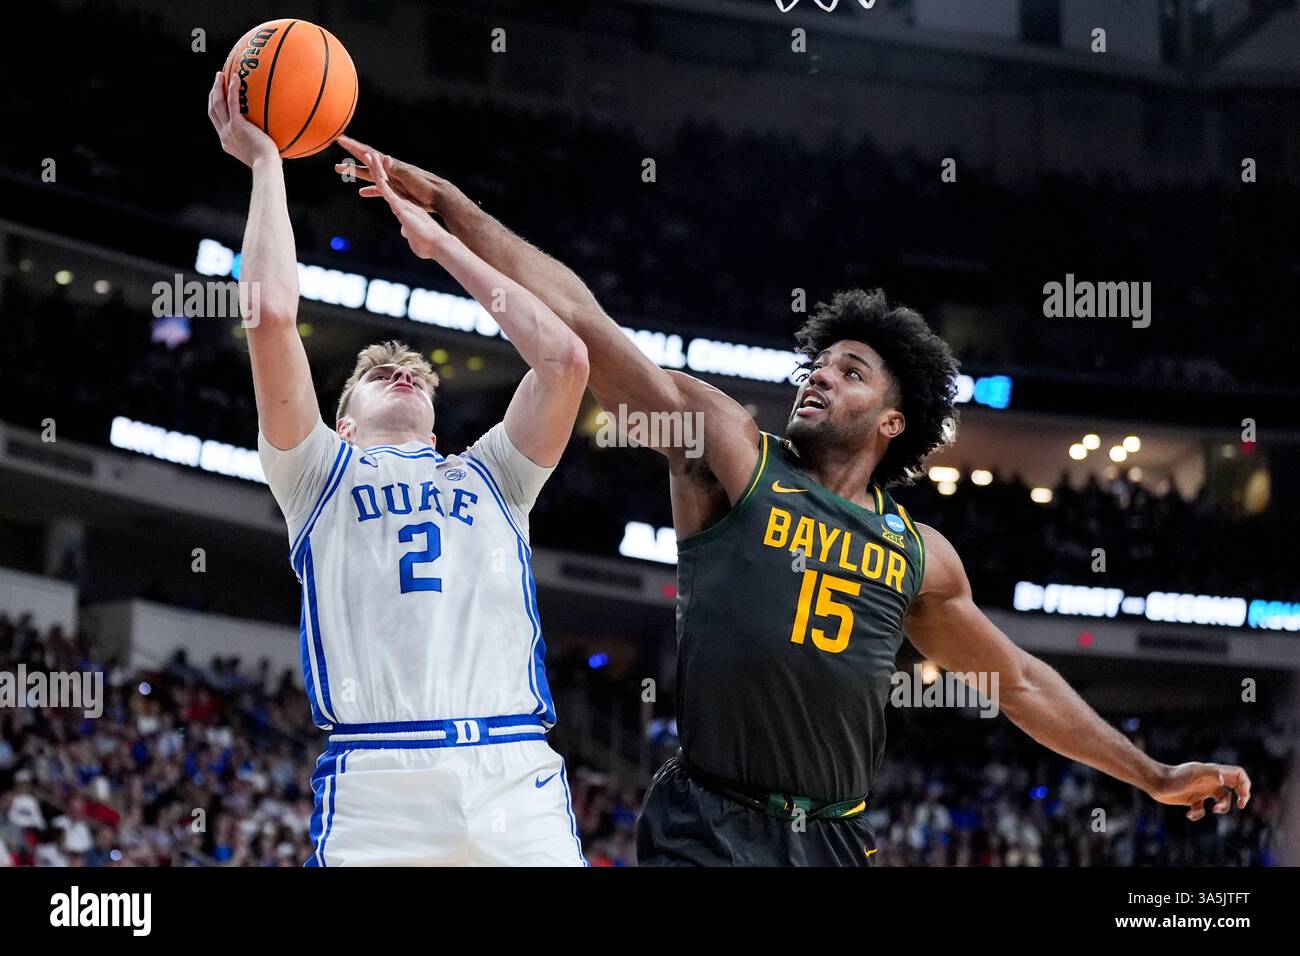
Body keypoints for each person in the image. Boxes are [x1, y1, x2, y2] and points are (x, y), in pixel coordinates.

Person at [334, 138, 1252, 867]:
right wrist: (454, 209)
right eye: (817, 362)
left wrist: (1150, 773)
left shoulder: (918, 555)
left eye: (849, 371)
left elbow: (1018, 683)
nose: (819, 377)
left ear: (893, 421)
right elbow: (584, 323)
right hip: (709, 827)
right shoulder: (726, 454)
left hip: (838, 839)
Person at [207, 75, 589, 866]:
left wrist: (443, 244)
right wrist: (267, 164)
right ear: (343, 421)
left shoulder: (493, 477)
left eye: (417, 374)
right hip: (379, 780)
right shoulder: (316, 472)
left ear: (440, 419)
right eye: (381, 374)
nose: (404, 374)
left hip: (514, 772)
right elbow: (272, 314)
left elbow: (565, 360)